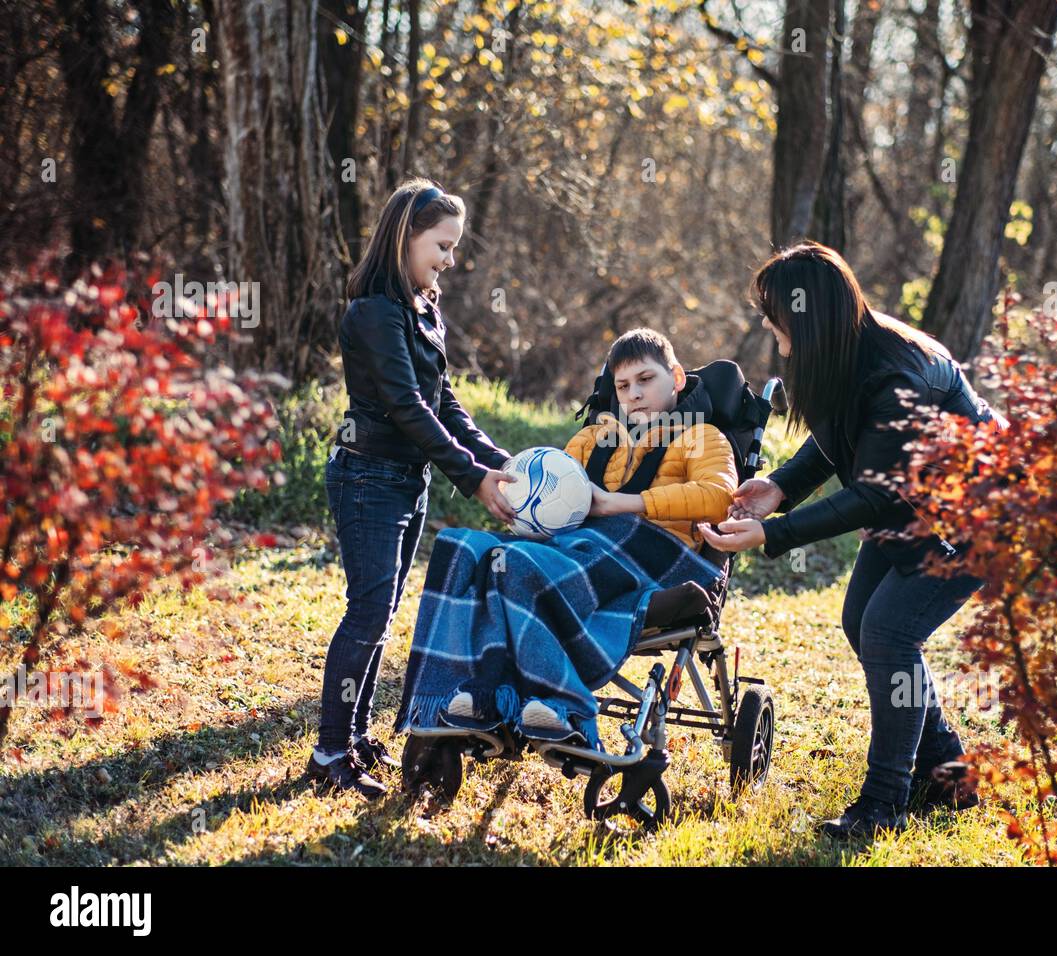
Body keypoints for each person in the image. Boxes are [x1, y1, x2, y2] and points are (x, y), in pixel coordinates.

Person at [700, 241, 1006, 841]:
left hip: (976, 515)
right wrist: (781, 488)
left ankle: (884, 802)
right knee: (861, 619)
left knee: (890, 631)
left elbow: (874, 494)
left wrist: (772, 531)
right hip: (914, 506)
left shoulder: (895, 374)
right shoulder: (844, 349)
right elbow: (839, 437)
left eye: (773, 311)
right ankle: (949, 775)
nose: (766, 322)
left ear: (805, 314)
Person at [393, 328, 737, 748]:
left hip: (654, 556)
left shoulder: (701, 437)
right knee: (472, 550)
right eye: (623, 386)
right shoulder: (591, 440)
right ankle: (470, 693)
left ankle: (562, 702)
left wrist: (619, 504)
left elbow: (719, 498)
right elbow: (554, 502)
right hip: (578, 549)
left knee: (523, 565)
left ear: (677, 379)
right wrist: (519, 510)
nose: (634, 394)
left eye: (646, 380)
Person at [308, 178, 518, 799]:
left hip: (406, 479)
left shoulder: (425, 307)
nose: (450, 259)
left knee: (382, 612)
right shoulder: (373, 311)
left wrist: (499, 461)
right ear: (406, 236)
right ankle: (328, 754)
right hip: (367, 477)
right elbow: (405, 406)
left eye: (454, 247)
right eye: (442, 244)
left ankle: (354, 735)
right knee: (368, 612)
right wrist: (472, 479)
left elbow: (443, 402)